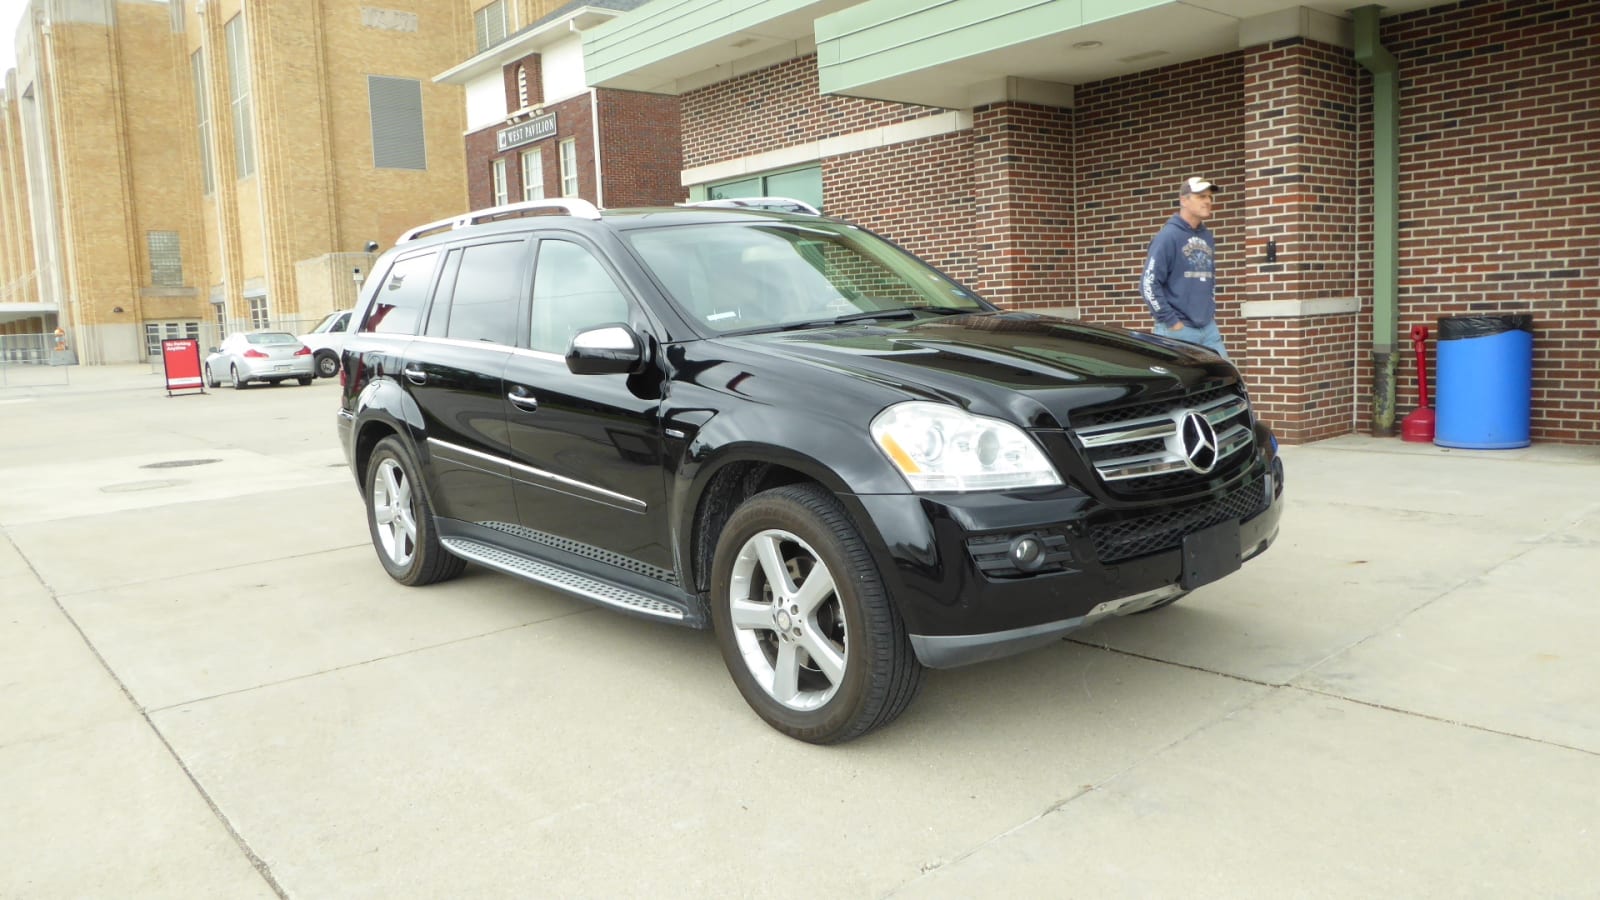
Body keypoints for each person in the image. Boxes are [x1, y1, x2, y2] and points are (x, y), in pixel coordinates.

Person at [1141, 176, 1228, 358]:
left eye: (1210, 197)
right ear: (1184, 200)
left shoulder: (1207, 237)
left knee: (1227, 379)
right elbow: (1148, 285)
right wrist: (1172, 322)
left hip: (1208, 329)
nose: (1207, 201)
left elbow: (1209, 279)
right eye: (1201, 196)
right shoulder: (1168, 236)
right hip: (1178, 332)